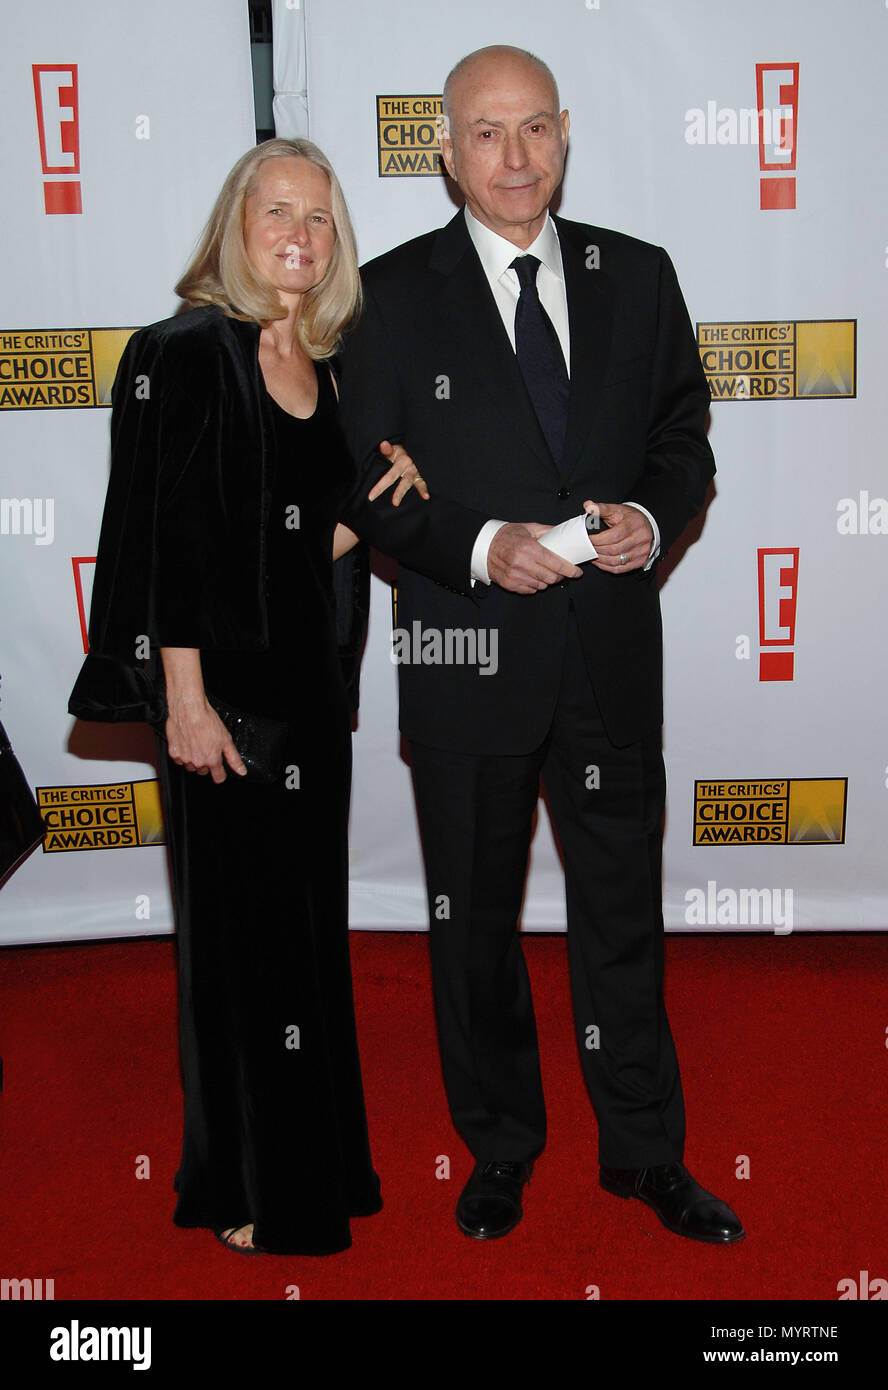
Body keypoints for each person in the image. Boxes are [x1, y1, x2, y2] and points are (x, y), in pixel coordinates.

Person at [338, 46, 744, 1245]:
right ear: (445, 149)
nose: (514, 159)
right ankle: (501, 1145)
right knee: (475, 921)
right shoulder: (388, 293)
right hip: (466, 654)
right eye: (485, 133)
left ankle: (647, 1151)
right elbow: (361, 474)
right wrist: (473, 544)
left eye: (534, 130)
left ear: (565, 134)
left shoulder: (642, 275)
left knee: (622, 908)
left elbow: (684, 435)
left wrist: (654, 517)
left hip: (609, 653)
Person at [69, 138, 493, 1255]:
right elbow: (165, 543)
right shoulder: (185, 352)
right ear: (236, 225)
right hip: (225, 705)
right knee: (240, 955)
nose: (299, 234)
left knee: (306, 945)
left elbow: (298, 542)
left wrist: (383, 503)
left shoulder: (331, 363)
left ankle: (318, 1166)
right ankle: (247, 1185)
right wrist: (186, 701)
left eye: (320, 217)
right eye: (277, 213)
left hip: (310, 702)